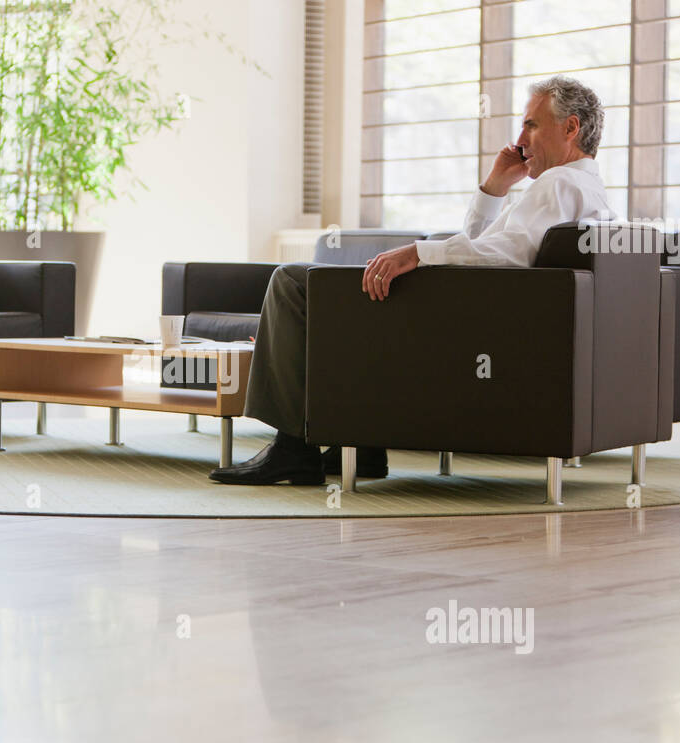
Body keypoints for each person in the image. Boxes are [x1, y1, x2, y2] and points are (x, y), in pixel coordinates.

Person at [211, 75, 613, 485]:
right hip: (484, 313)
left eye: (531, 124)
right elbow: (487, 246)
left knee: (294, 282)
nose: (520, 137)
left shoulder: (559, 183)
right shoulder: (585, 188)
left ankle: (293, 446)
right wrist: (494, 188)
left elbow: (507, 258)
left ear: (570, 128)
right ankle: (361, 445)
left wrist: (418, 253)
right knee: (331, 300)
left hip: (463, 317)